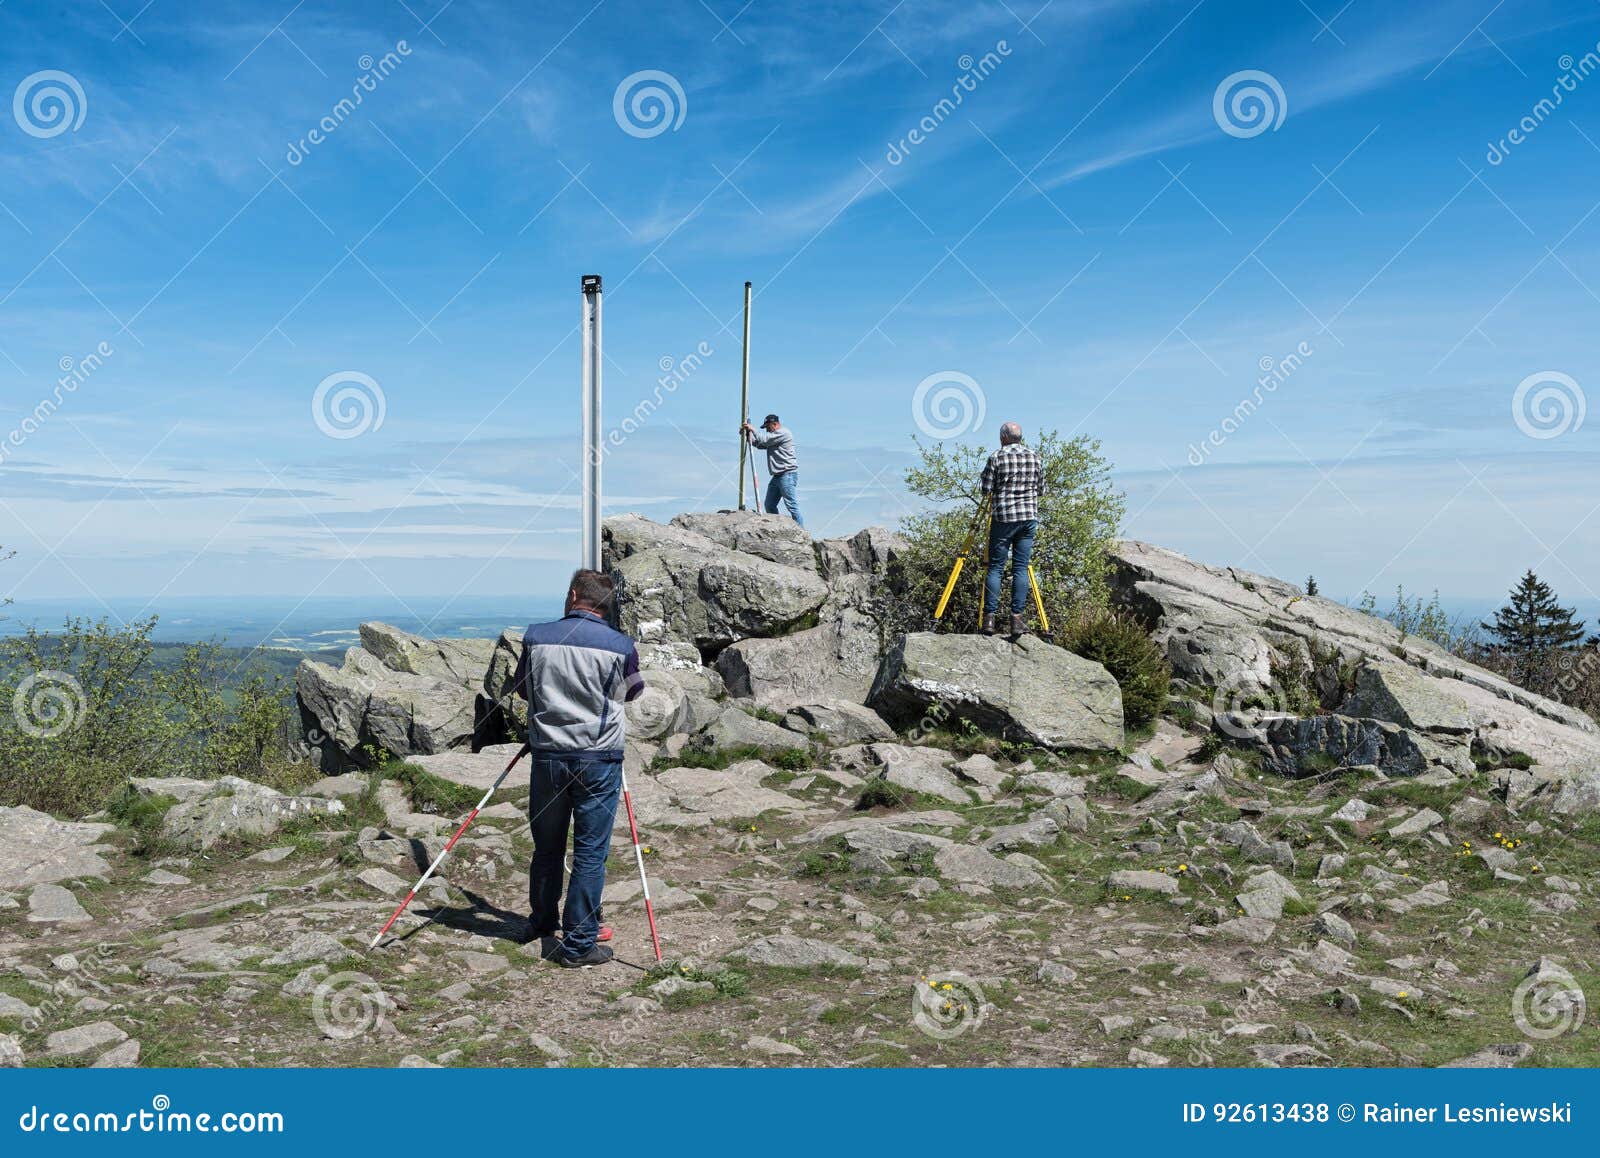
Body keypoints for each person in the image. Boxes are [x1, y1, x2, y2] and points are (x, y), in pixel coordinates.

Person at [513, 569, 642, 968]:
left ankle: (542, 921)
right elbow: (631, 691)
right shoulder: (620, 645)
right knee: (590, 852)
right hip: (598, 759)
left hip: (548, 755)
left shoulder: (536, 636)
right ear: (606, 605)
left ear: (573, 596)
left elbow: (522, 687)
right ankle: (579, 942)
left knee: (547, 846)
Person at [979, 421, 1044, 636]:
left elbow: (986, 489)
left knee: (996, 568)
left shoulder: (997, 457)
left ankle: (989, 619)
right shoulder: (1035, 457)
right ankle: (1017, 619)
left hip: (1003, 518)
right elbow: (1041, 489)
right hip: (1028, 519)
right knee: (1020, 568)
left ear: (1003, 437)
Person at [740, 412, 804, 527]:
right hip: (777, 476)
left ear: (774, 424)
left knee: (792, 505)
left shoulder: (783, 433)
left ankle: (801, 532)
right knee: (769, 504)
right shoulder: (773, 437)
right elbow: (760, 444)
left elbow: (764, 439)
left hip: (787, 474)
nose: (767, 430)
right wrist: (747, 435)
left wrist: (752, 429)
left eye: (767, 427)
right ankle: (777, 527)